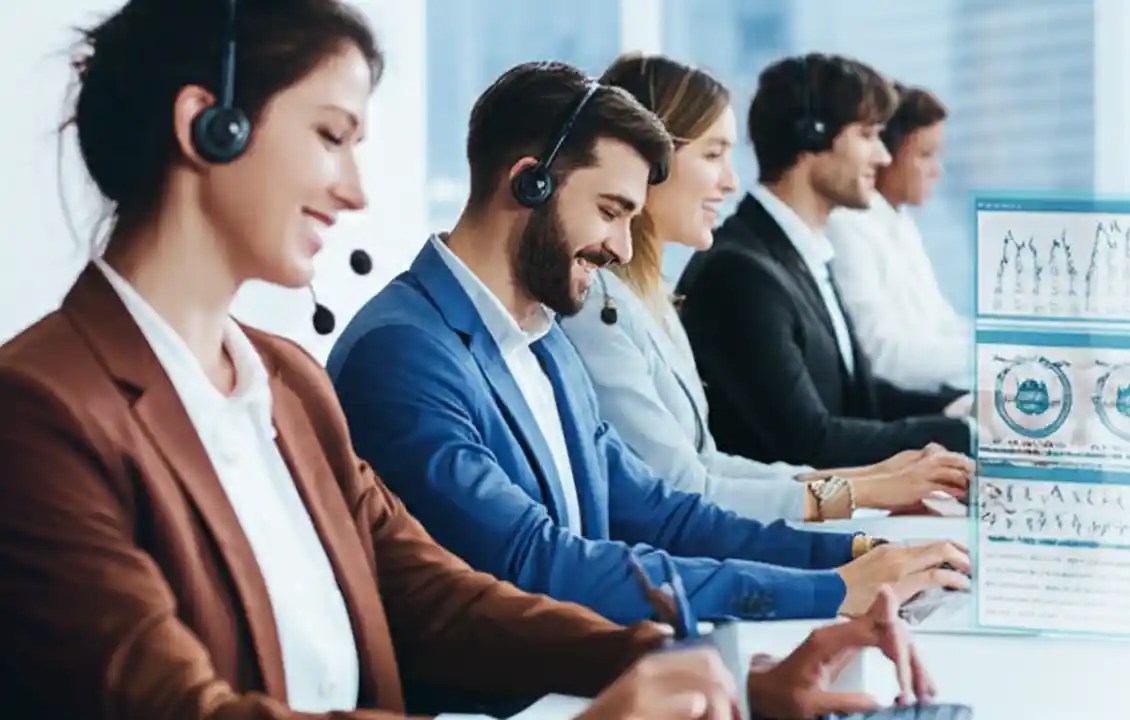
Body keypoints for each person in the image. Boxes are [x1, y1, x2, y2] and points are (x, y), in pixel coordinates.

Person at [0, 2, 938, 717]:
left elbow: (437, 600)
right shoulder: (39, 413)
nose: (355, 190)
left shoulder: (286, 383)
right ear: (210, 127)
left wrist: (710, 674)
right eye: (331, 137)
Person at [327, 60, 970, 628]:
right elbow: (539, 562)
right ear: (530, 184)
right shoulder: (404, 354)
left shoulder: (544, 340)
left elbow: (666, 515)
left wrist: (853, 553)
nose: (622, 248)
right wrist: (827, 590)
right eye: (610, 212)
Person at [559, 53, 973, 524]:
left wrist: (873, 482)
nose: (731, 181)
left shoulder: (655, 298)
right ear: (648, 163)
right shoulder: (611, 305)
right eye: (713, 155)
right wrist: (867, 491)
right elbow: (692, 489)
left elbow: (709, 465)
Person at [676, 54, 974, 470]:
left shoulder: (804, 253)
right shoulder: (740, 273)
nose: (883, 157)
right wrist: (962, 435)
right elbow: (808, 440)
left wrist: (963, 410)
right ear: (811, 137)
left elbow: (857, 398)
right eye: (867, 135)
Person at [826, 82, 971, 393]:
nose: (937, 171)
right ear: (886, 155)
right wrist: (992, 355)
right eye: (925, 155)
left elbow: (941, 324)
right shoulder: (846, 227)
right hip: (898, 407)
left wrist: (1009, 349)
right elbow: (880, 355)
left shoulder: (899, 222)